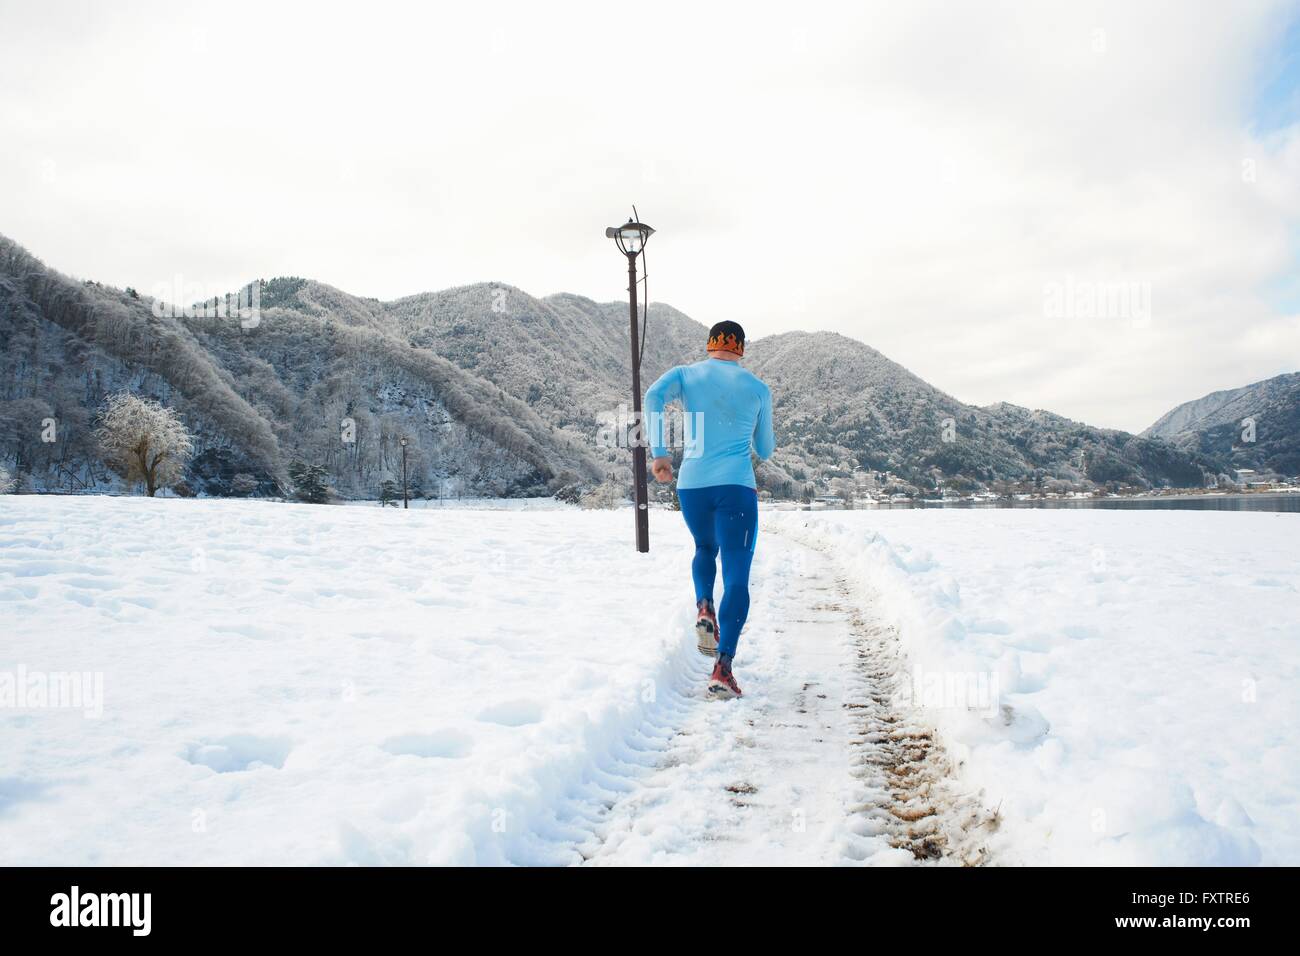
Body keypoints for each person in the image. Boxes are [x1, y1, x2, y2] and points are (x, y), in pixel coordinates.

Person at [644, 320, 775, 699]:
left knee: (704, 548)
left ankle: (704, 607)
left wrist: (661, 455)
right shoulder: (757, 389)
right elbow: (765, 450)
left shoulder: (686, 375)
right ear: (741, 349)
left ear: (709, 346)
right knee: (736, 577)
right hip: (736, 487)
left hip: (692, 485)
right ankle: (723, 669)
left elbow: (653, 396)